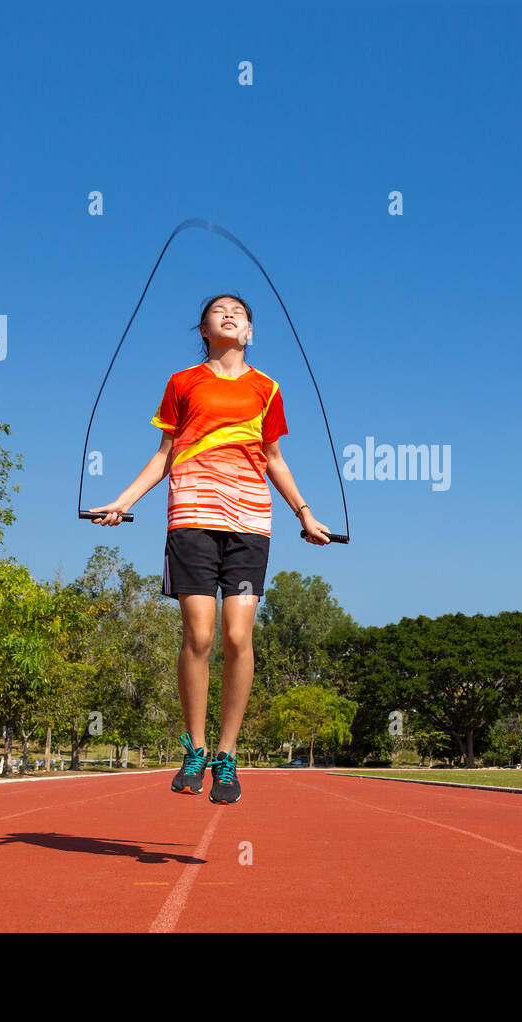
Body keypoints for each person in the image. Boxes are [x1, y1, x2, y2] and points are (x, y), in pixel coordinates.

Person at [88, 293, 333, 804]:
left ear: (249, 332)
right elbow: (164, 455)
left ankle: (227, 754)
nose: (229, 316)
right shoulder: (182, 383)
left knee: (238, 637)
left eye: (239, 314)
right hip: (192, 520)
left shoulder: (267, 388)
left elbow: (274, 458)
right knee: (199, 636)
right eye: (218, 312)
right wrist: (122, 500)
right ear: (203, 329)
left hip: (250, 524)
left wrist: (305, 514)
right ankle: (195, 748)